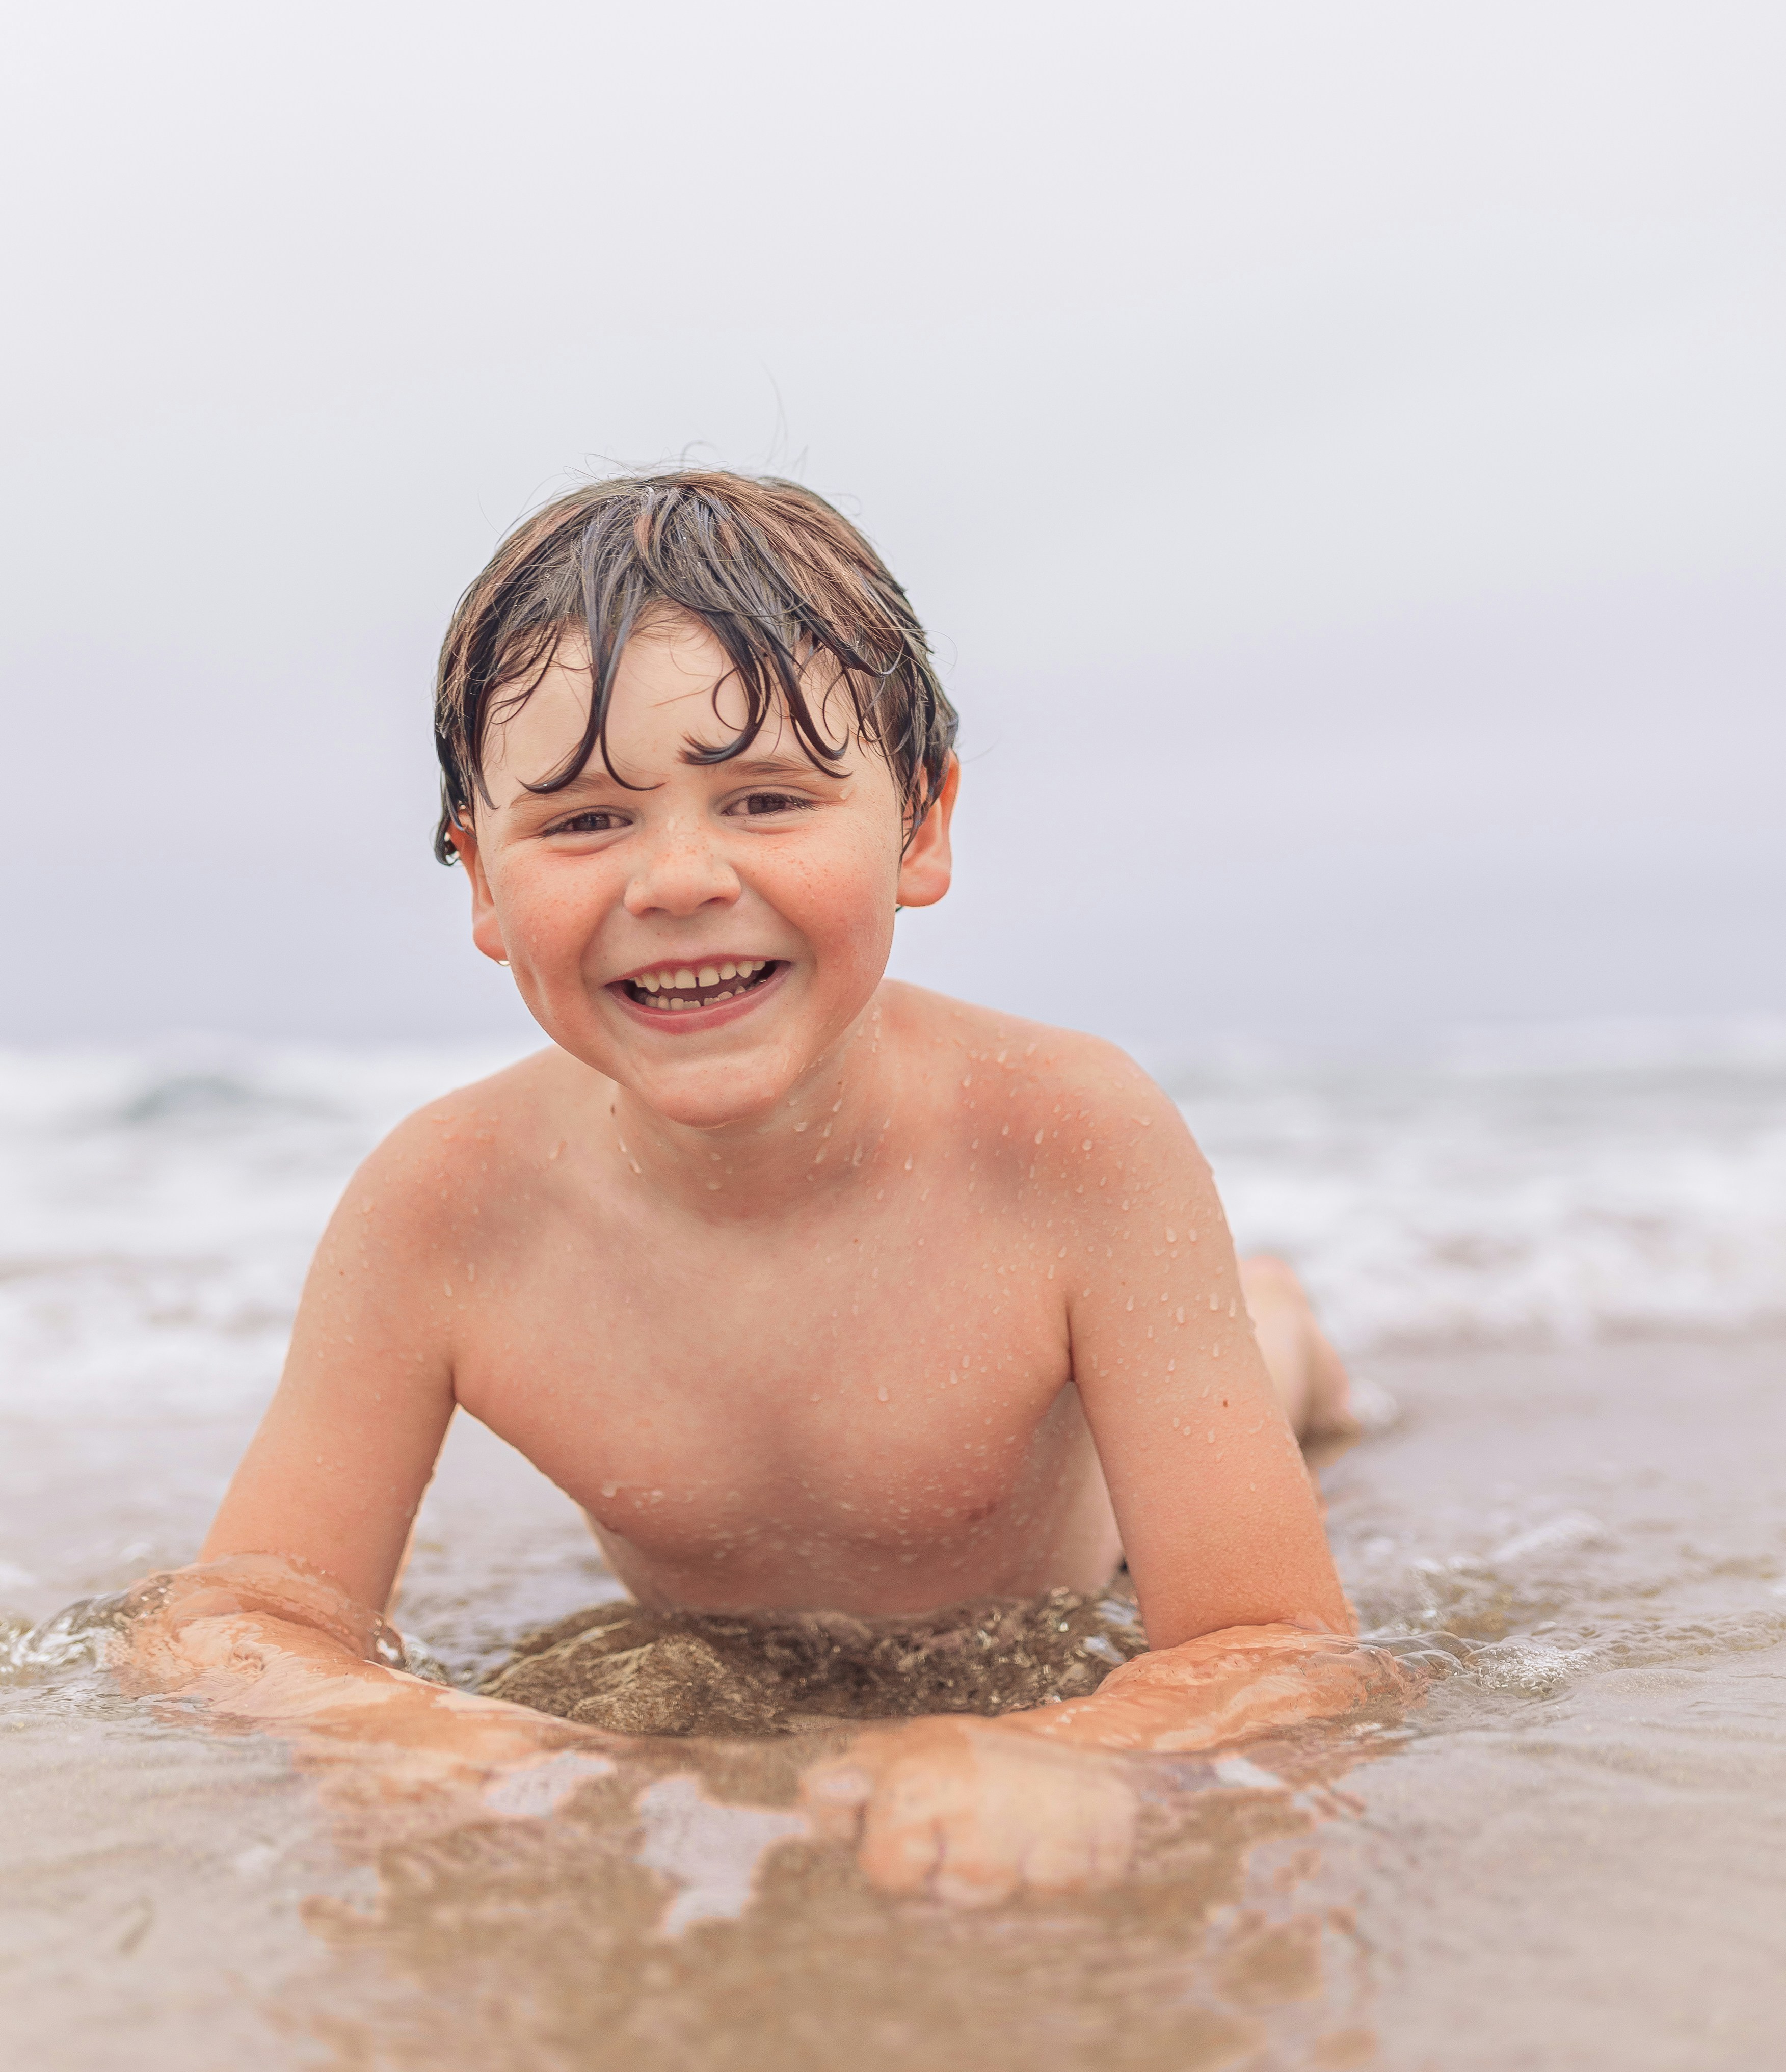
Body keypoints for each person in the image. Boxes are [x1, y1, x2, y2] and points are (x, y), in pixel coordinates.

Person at [124, 471, 1399, 1906]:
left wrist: (1082, 1746)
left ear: (920, 826)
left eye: (767, 799)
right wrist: (395, 1726)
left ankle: (1273, 1332)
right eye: (585, 821)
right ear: (479, 879)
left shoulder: (1066, 1139)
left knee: (1253, 1370)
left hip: (1071, 1563)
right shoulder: (444, 1208)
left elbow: (1280, 1643)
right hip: (746, 1617)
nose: (676, 879)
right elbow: (232, 1617)